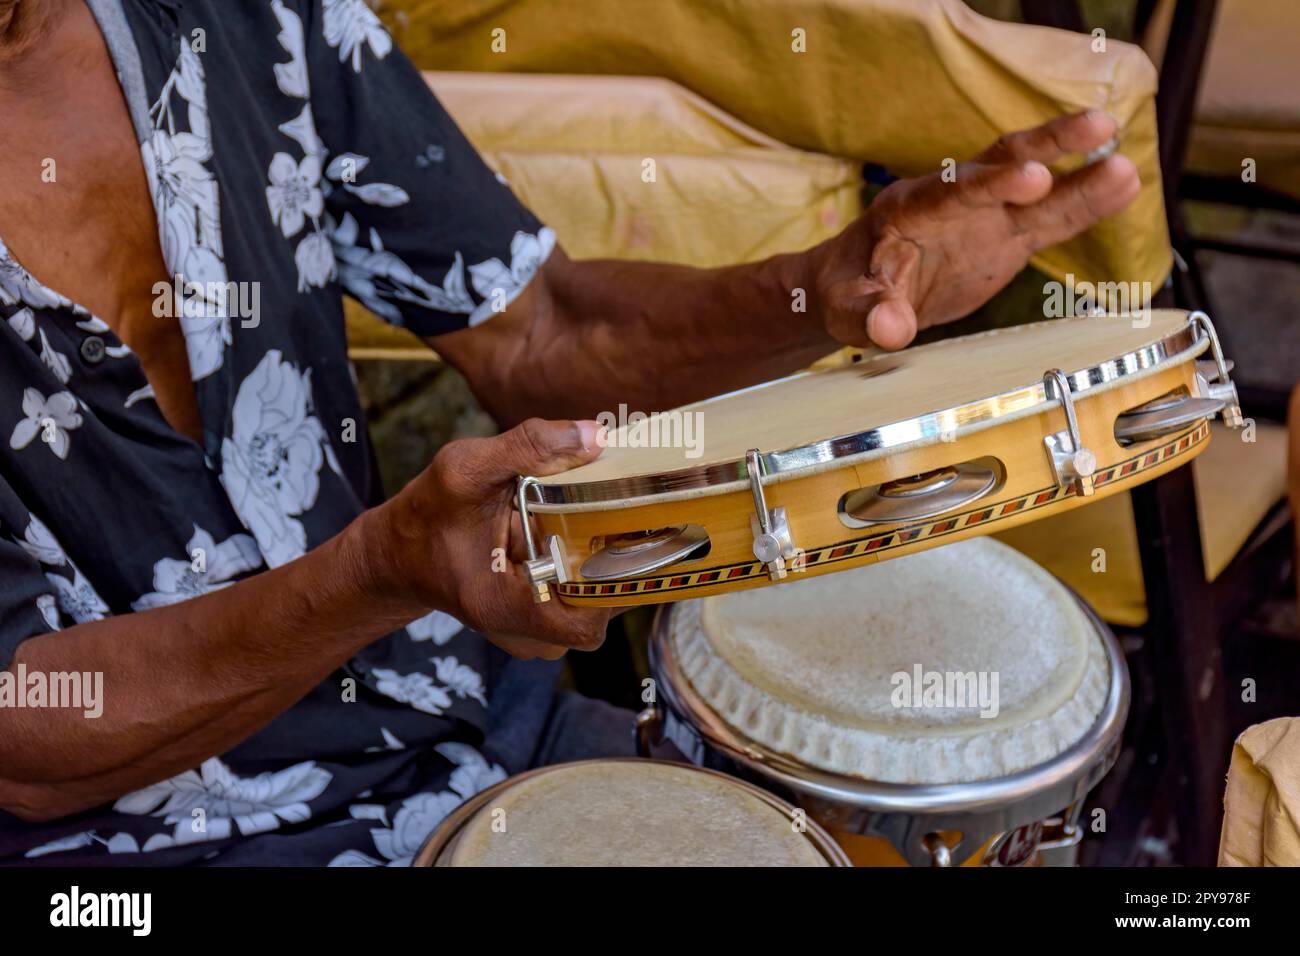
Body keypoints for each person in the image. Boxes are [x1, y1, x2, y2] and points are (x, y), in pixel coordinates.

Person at [0, 0, 1139, 864]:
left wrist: (826, 286)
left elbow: (541, 327)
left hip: (445, 712)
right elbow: (26, 743)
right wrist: (381, 571)